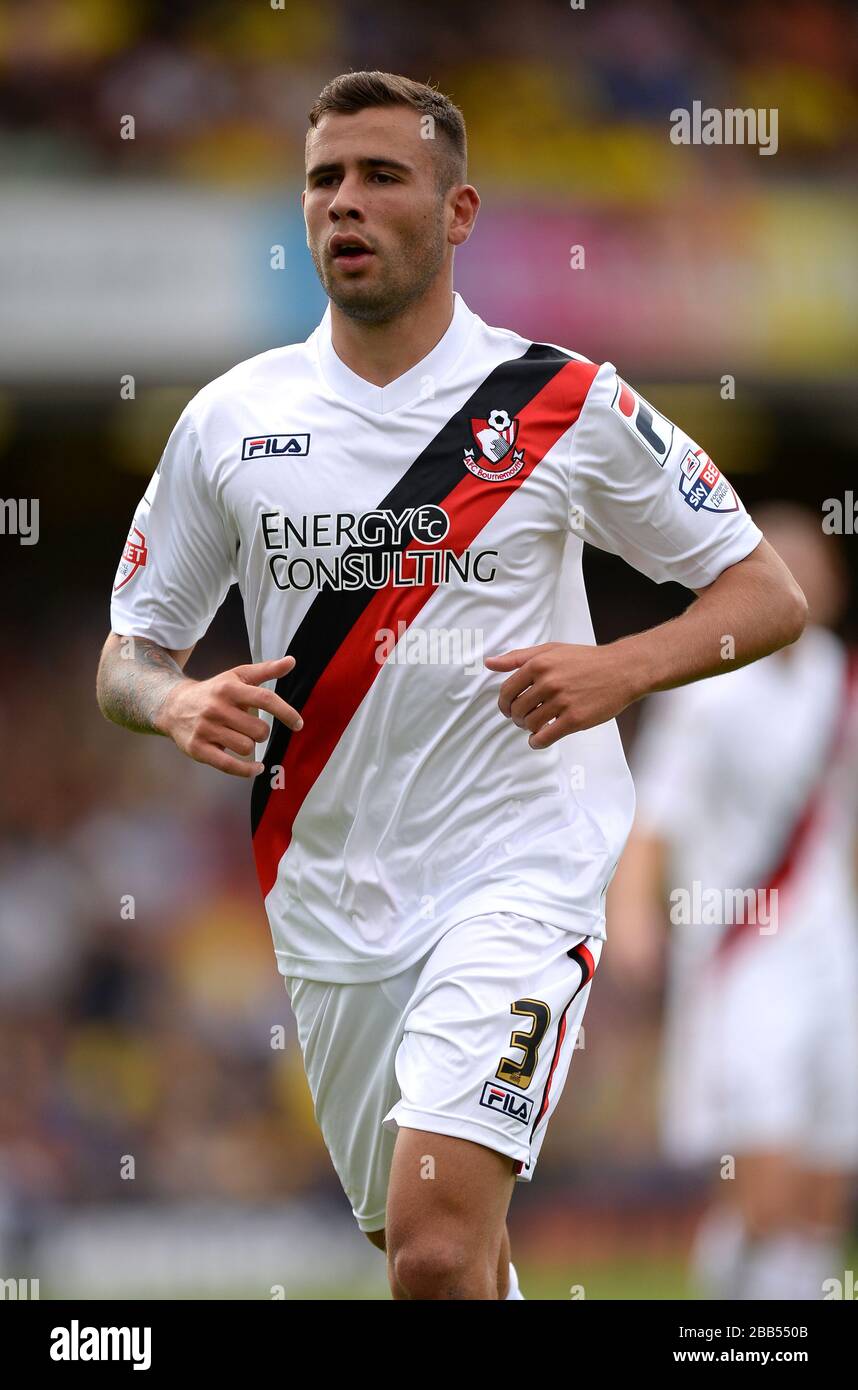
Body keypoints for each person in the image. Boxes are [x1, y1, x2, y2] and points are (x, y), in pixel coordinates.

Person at [96, 71, 806, 1300]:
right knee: (446, 1264)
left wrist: (619, 670)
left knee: (429, 1249)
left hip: (521, 868)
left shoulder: (562, 401)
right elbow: (126, 652)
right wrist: (172, 700)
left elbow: (766, 593)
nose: (346, 205)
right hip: (329, 905)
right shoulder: (228, 421)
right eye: (324, 180)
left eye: (382, 177)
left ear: (460, 210)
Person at [607, 504, 858, 1300]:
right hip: (742, 953)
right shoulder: (711, 688)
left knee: (825, 1188)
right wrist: (635, 919)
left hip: (830, 954)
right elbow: (653, 816)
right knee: (764, 1184)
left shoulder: (837, 680)